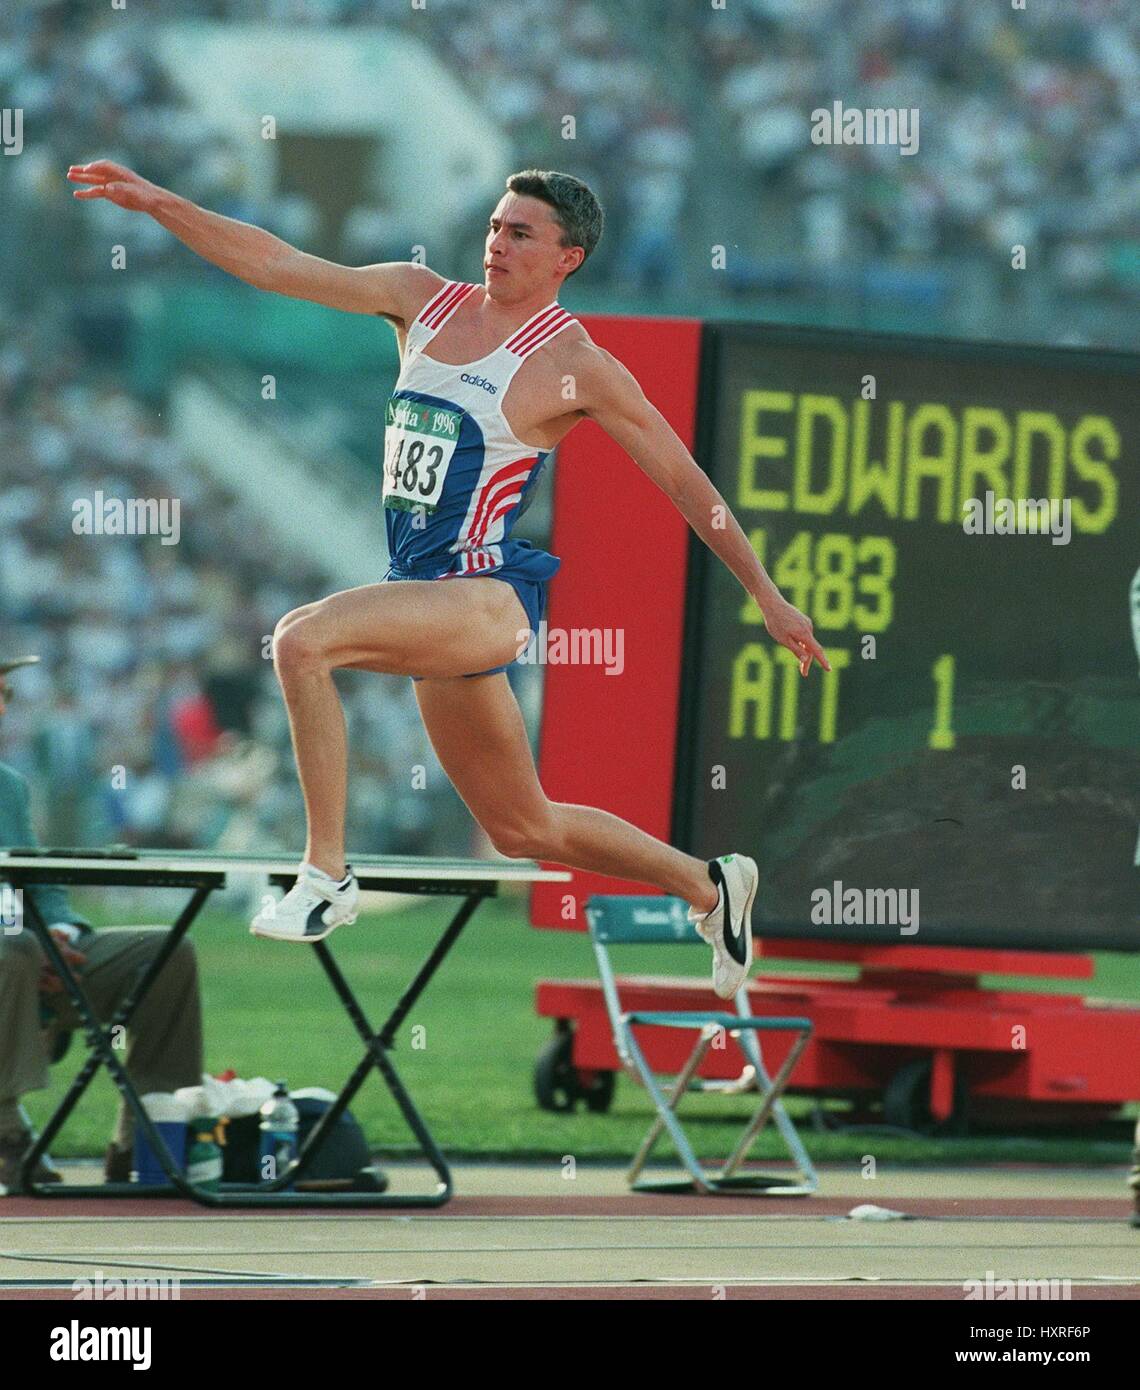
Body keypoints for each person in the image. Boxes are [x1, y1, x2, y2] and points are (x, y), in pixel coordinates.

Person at [67, 159, 829, 1000]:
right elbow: (278, 265)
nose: (497, 243)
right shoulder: (418, 297)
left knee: (300, 641)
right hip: (420, 592)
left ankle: (326, 874)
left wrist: (765, 593)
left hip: (483, 596)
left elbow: (688, 484)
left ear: (566, 258)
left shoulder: (577, 365)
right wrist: (162, 203)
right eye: (496, 226)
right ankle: (710, 884)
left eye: (521, 234)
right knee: (520, 826)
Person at [0, 656, 203, 1194]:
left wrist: (59, 934)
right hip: (12, 960)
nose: (1, 706)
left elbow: (38, 883)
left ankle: (149, 1134)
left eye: (6, 694)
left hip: (28, 960)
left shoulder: (9, 786)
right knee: (12, 950)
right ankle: (6, 1132)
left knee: (166, 952)